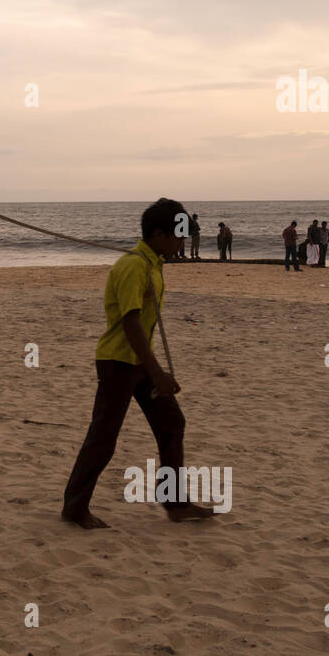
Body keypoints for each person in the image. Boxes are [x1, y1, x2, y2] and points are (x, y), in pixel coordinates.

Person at [61, 197, 214, 529]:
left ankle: (175, 504)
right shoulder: (133, 265)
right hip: (118, 361)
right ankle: (74, 508)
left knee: (172, 424)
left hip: (138, 361)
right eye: (178, 236)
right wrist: (157, 373)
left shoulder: (153, 264)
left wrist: (153, 369)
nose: (181, 244)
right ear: (159, 234)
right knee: (103, 438)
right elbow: (131, 323)